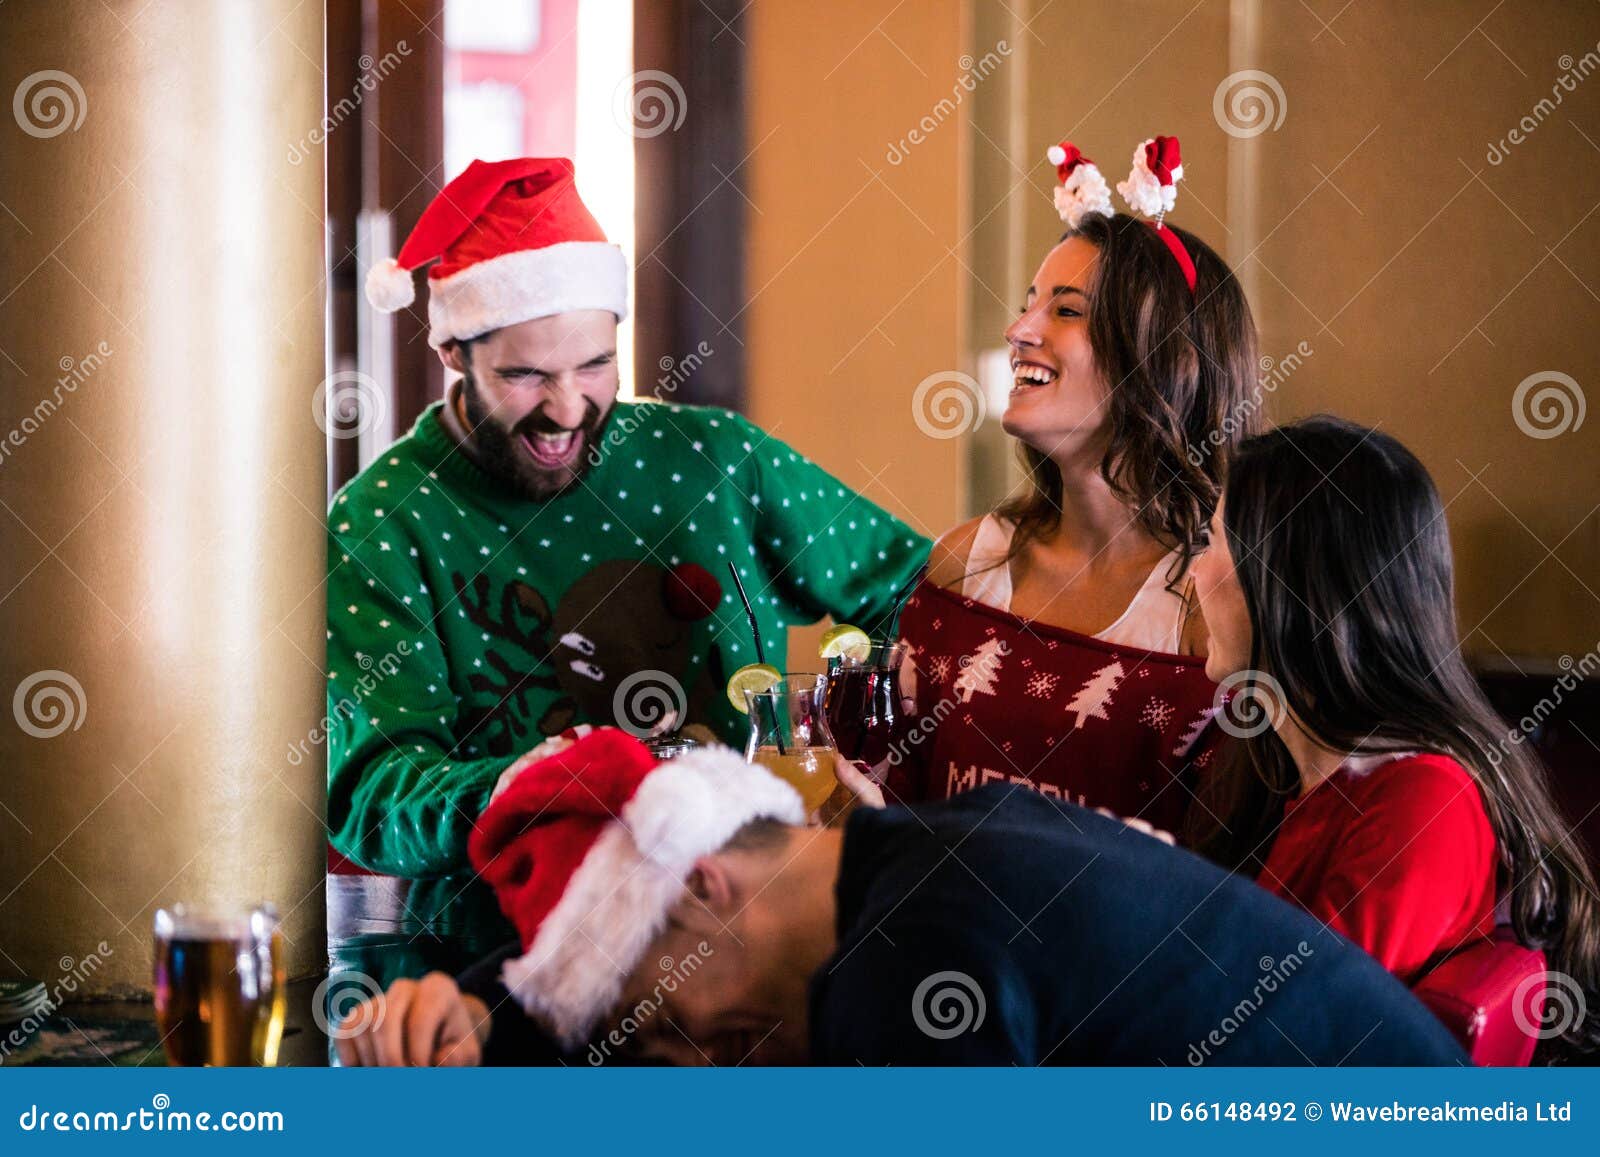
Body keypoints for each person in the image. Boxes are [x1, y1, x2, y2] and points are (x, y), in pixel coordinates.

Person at [327, 157, 930, 887]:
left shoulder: (719, 460)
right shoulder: (382, 521)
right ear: (453, 351)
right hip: (499, 943)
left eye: (594, 366)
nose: (568, 408)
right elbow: (374, 796)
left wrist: (866, 731)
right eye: (525, 376)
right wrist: (529, 785)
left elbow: (922, 594)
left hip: (750, 912)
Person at [334, 729, 1466, 1066]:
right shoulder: (911, 852)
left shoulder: (919, 968)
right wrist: (479, 1012)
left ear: (710, 882)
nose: (697, 1056)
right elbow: (615, 957)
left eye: (674, 1024)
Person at [1189, 416, 1600, 1061]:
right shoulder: (1300, 773)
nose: (1190, 574)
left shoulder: (1422, 802)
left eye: (1209, 541)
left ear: (1289, 578)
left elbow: (1276, 1040)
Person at [888, 136, 1258, 834]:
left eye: (1064, 310)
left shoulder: (1215, 617)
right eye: (1030, 304)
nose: (1018, 330)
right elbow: (890, 807)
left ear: (1163, 359)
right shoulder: (968, 566)